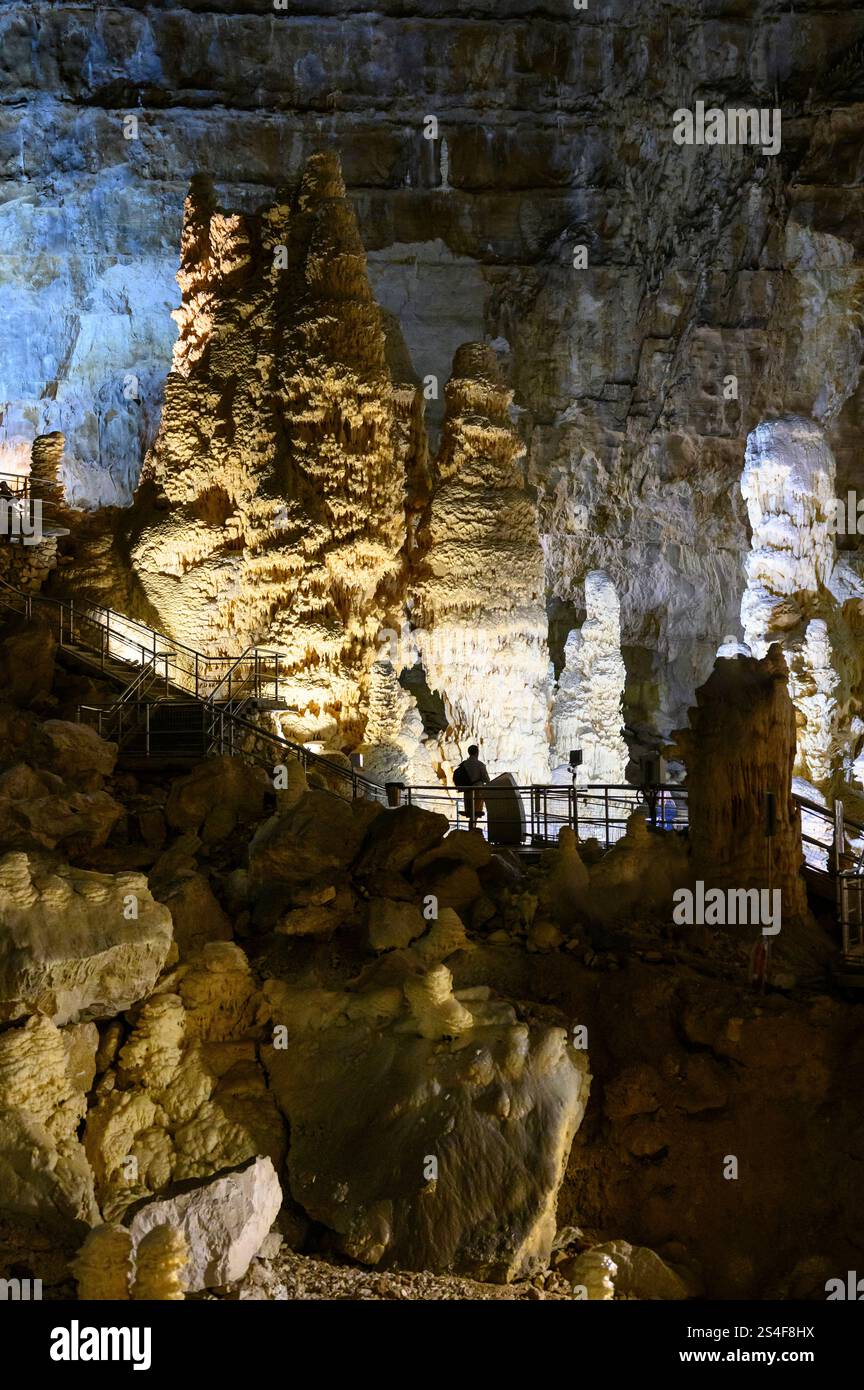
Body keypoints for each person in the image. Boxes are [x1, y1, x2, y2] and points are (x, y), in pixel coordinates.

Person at [454, 744, 489, 828]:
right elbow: (486, 779)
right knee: (476, 813)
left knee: (470, 812)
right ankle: (472, 831)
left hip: (467, 791)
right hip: (478, 792)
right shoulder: (480, 765)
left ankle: (471, 830)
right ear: (477, 753)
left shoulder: (464, 764)